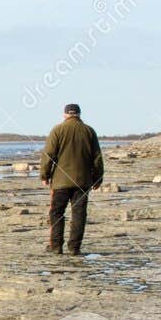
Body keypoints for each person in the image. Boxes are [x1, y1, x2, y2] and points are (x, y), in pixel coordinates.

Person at [39, 103, 103, 255]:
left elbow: (48, 154)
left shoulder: (58, 130)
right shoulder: (89, 131)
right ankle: (74, 247)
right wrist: (98, 178)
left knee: (56, 213)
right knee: (79, 214)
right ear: (79, 114)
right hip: (83, 181)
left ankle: (56, 246)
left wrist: (44, 175)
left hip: (60, 182)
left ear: (65, 114)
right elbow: (97, 158)